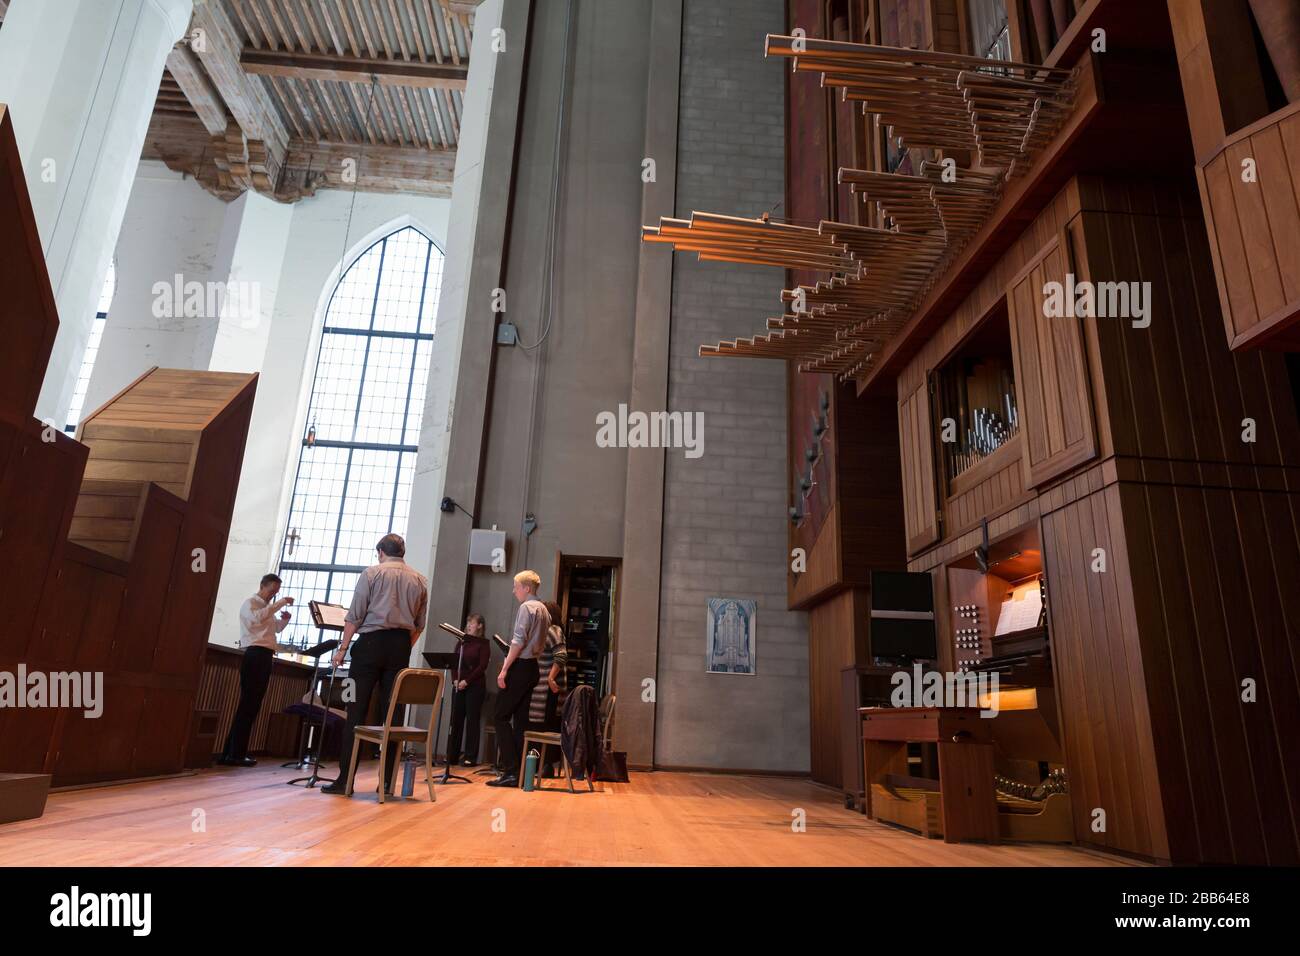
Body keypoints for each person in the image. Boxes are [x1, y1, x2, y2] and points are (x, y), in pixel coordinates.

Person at [322, 533, 428, 796]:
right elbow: (419, 626)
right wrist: (402, 647)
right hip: (400, 647)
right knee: (393, 716)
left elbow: (355, 616)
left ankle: (345, 780)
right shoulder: (419, 579)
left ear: (381, 551)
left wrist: (342, 649)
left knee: (354, 711)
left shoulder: (371, 573)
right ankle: (388, 784)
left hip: (368, 647)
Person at [218, 573, 295, 767]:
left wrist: (284, 620)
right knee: (248, 705)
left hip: (265, 655)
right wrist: (281, 603)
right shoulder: (250, 603)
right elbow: (255, 621)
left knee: (251, 706)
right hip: (254, 655)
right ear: (262, 586)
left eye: (276, 593)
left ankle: (231, 752)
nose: (273, 596)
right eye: (272, 591)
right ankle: (235, 754)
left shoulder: (266, 608)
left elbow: (273, 629)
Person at [486, 570, 551, 788]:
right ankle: (521, 773)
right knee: (521, 721)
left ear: (527, 588)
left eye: (516, 587)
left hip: (521, 667)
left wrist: (505, 669)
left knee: (500, 716)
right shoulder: (545, 610)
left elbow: (518, 641)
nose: (514, 590)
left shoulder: (526, 607)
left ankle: (511, 770)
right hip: (534, 668)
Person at [446, 612, 490, 766]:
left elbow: (482, 666)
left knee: (472, 721)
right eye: (468, 622)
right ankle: (452, 756)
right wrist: (455, 680)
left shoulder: (483, 643)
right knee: (456, 720)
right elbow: (454, 661)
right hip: (458, 685)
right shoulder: (461, 641)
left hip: (475, 686)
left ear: (480, 626)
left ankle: (470, 757)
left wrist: (467, 681)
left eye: (472, 623)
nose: (469, 625)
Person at [528, 600, 568, 733]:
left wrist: (551, 678)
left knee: (541, 737)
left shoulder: (553, 630)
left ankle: (536, 755)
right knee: (536, 737)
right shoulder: (544, 632)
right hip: (541, 697)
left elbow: (561, 656)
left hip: (546, 697)